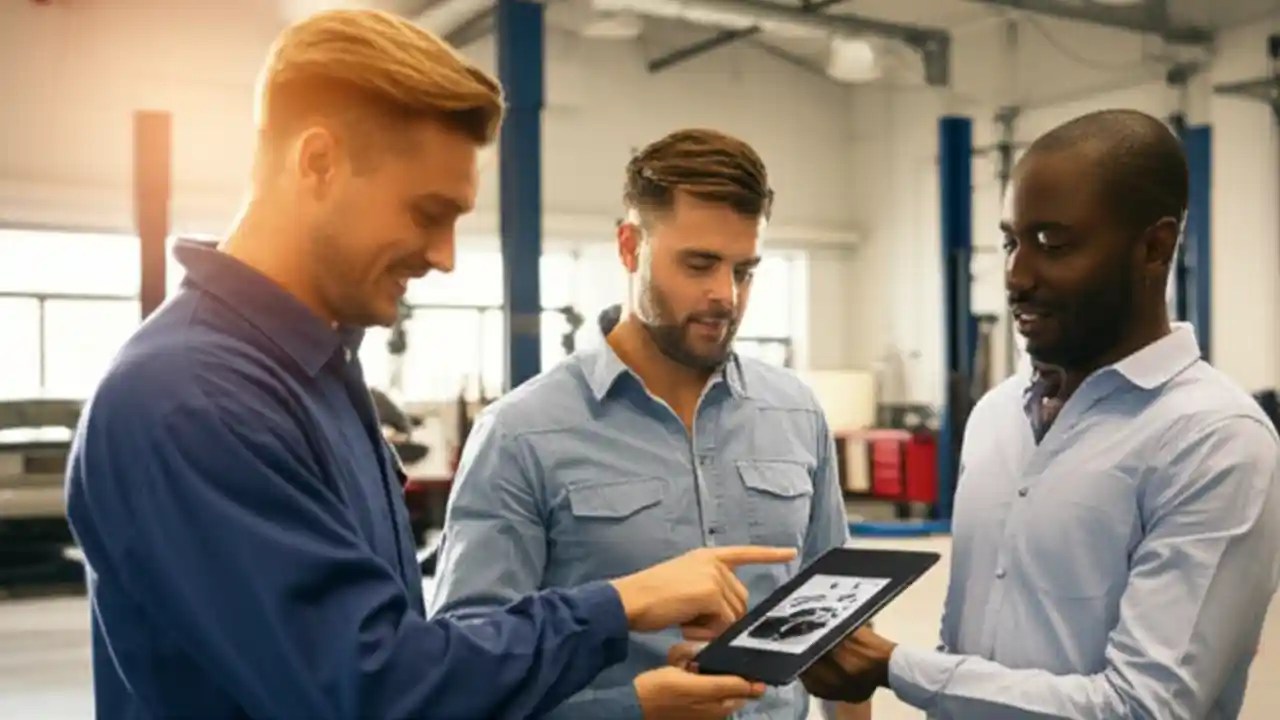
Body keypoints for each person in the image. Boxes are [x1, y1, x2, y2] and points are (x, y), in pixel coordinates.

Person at [64, 10, 795, 719]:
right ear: (317, 162)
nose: (444, 257)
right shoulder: (194, 397)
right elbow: (376, 690)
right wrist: (618, 605)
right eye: (426, 213)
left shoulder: (315, 373)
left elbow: (401, 648)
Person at [786, 109, 1280, 718]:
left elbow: (1146, 707)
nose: (1017, 277)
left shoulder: (1214, 441)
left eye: (1053, 244)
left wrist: (894, 666)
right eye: (1011, 242)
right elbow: (963, 645)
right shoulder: (997, 417)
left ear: (1154, 248)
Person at [429, 128, 866, 720]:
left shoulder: (794, 412)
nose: (726, 296)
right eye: (700, 264)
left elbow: (837, 627)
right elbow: (468, 674)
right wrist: (629, 709)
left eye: (744, 270)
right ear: (630, 247)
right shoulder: (522, 435)